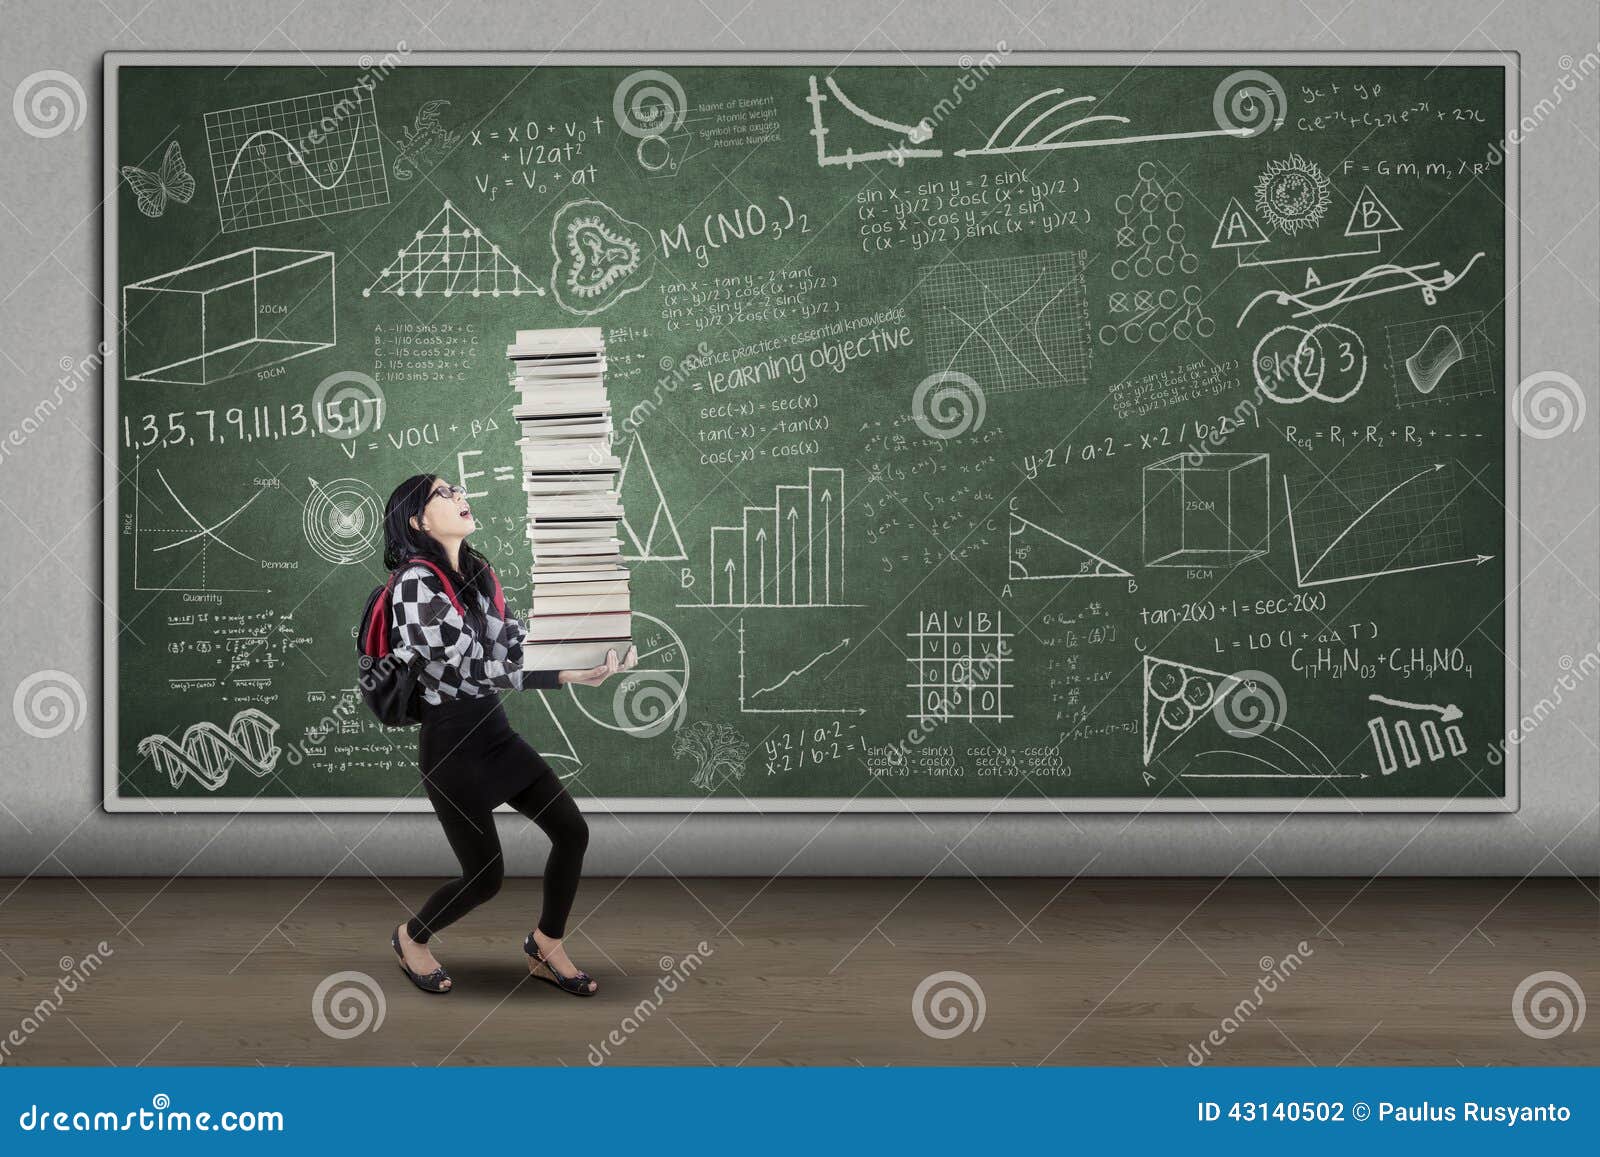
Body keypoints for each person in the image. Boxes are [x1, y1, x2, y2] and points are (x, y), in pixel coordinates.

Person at [381, 474, 636, 997]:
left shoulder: (476, 571)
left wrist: (587, 654)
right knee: (485, 878)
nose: (460, 497)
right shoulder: (413, 584)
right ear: (418, 520)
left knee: (571, 831)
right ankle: (411, 937)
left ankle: (546, 943)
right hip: (451, 747)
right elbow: (468, 669)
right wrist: (561, 675)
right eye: (444, 494)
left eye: (458, 490)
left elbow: (512, 642)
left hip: (494, 734)